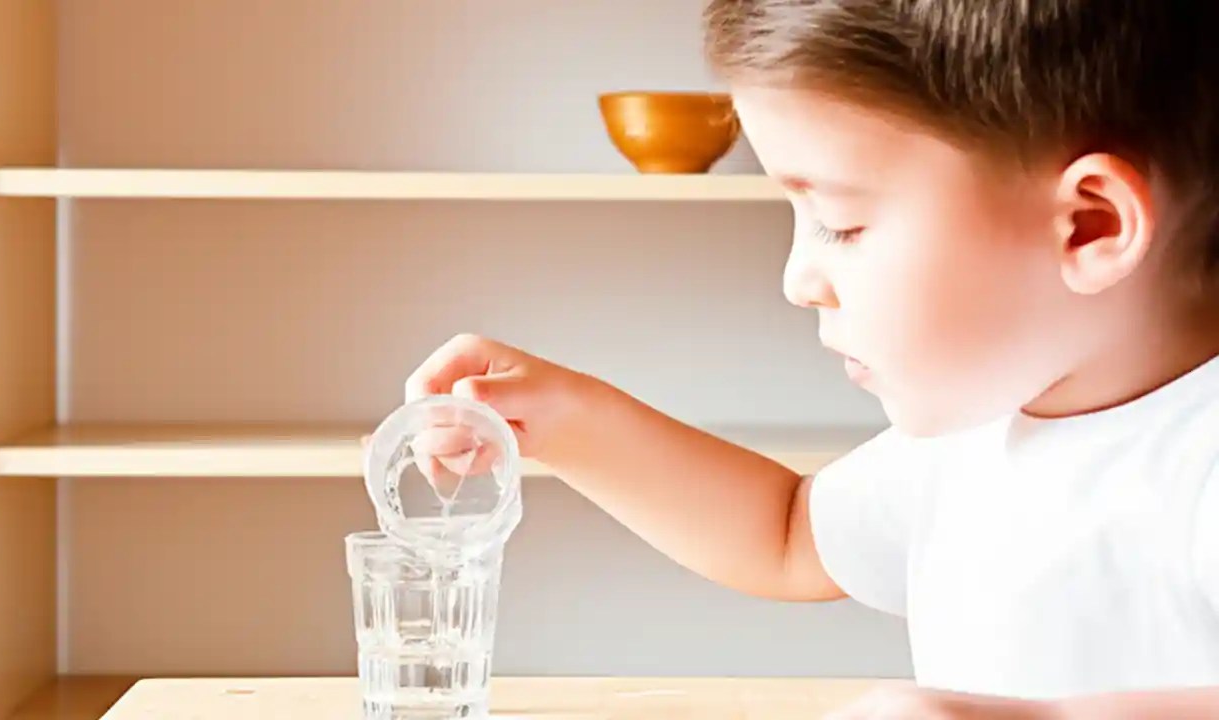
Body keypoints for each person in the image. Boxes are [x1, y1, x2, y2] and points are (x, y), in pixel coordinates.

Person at [404, 2, 1219, 717]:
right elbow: (787, 534)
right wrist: (565, 420)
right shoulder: (975, 435)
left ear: (1089, 227)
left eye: (840, 223)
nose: (800, 280)